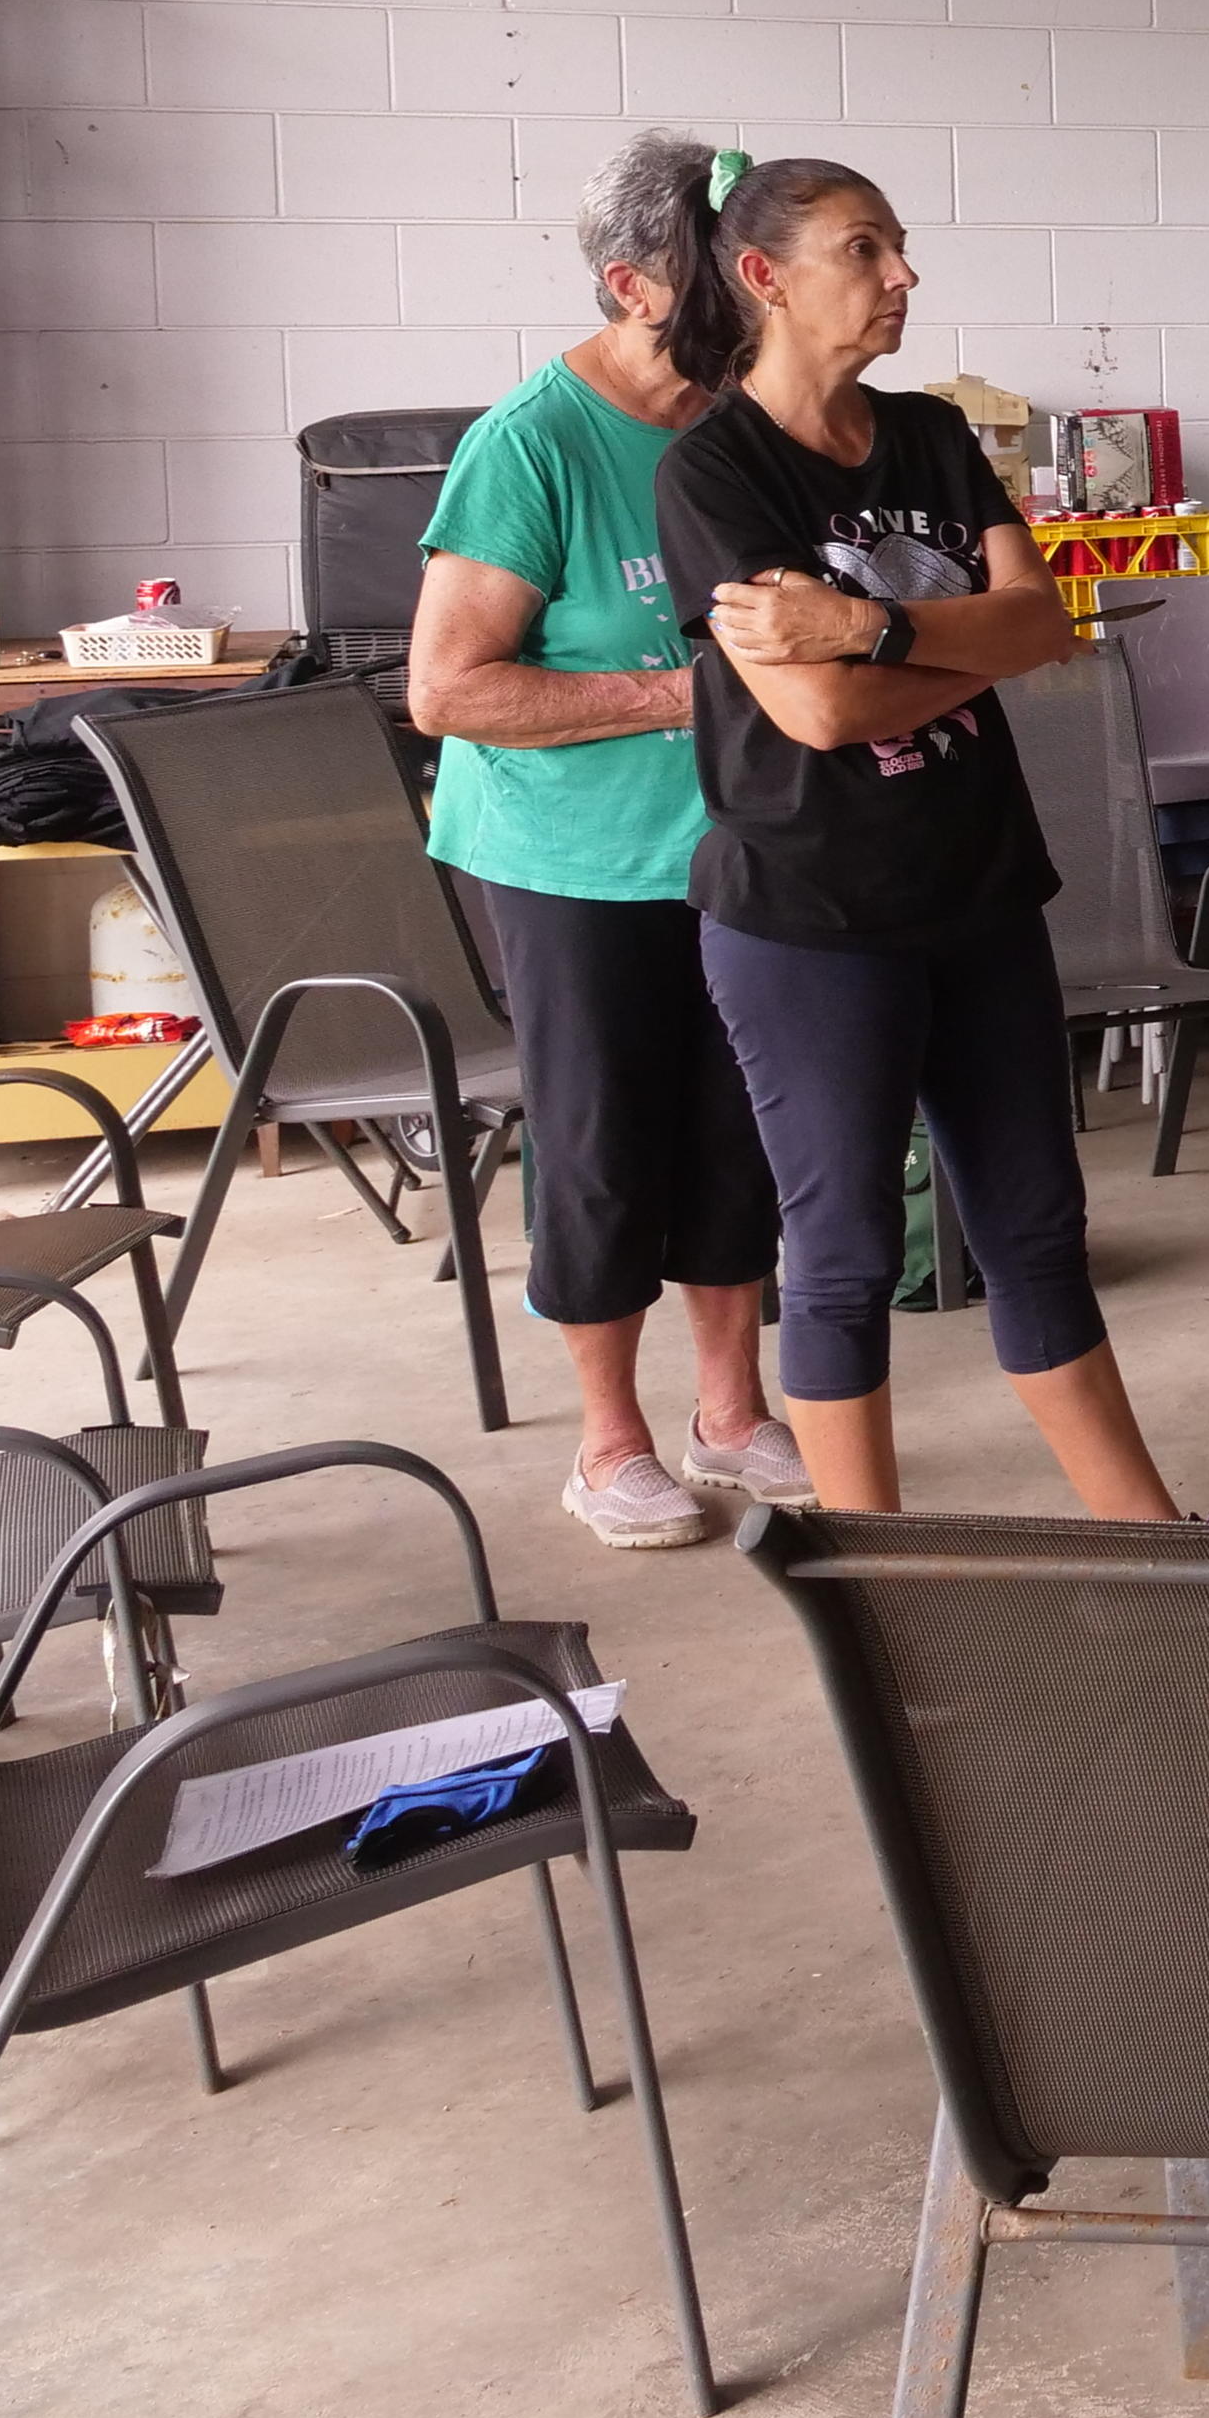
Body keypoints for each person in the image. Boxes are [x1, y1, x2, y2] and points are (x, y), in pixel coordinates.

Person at [654, 156, 1178, 1523]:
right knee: (842, 1251)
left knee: (1038, 1232)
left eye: (900, 247)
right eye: (866, 249)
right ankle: (876, 1578)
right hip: (809, 917)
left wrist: (878, 626)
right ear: (765, 277)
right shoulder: (714, 470)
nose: (903, 275)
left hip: (980, 890)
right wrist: (966, 655)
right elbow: (818, 712)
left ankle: (1145, 1534)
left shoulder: (933, 435)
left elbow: (1047, 623)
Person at [405, 131, 806, 1550]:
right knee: (599, 1145)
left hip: (734, 851)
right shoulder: (533, 442)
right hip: (573, 865)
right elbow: (445, 687)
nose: (762, 290)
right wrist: (674, 692)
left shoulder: (746, 416)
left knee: (738, 1135)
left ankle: (730, 1411)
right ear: (635, 284)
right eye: (730, 268)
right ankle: (607, 1440)